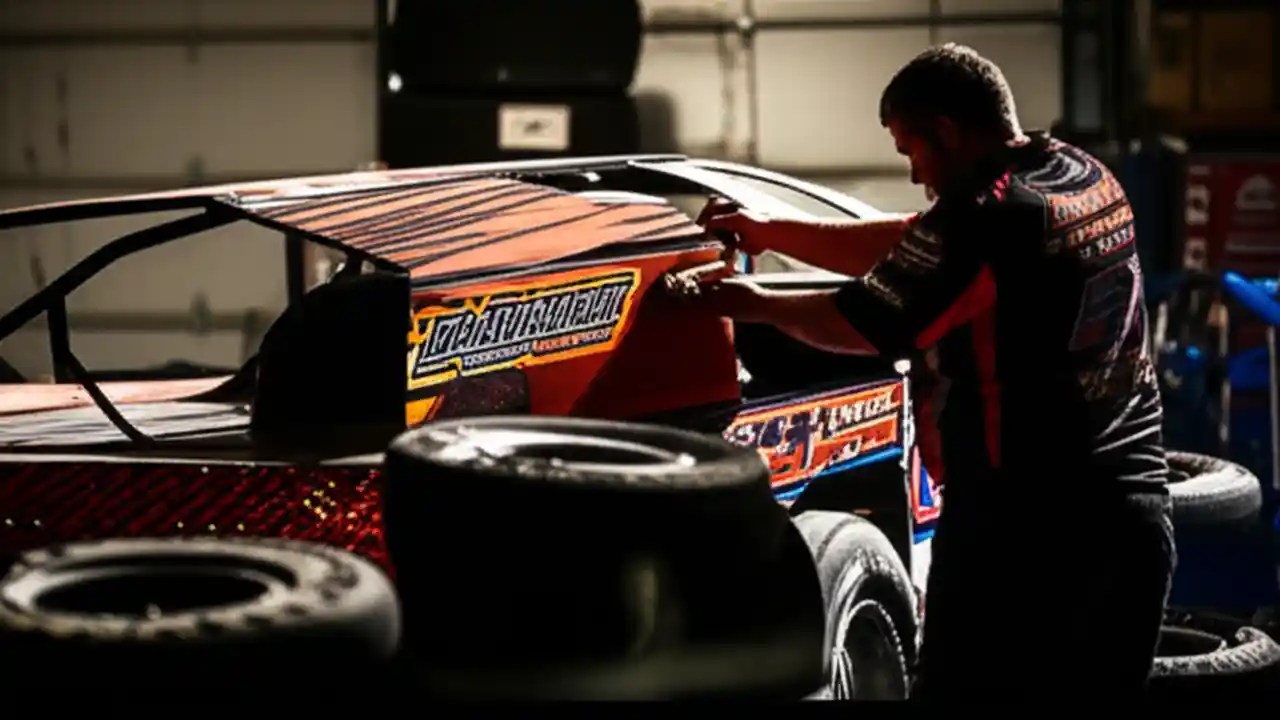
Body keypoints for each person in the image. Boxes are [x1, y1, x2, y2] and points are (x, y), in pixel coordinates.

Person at [691, 43, 1176, 700]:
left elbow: (858, 323)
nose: (917, 173)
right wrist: (772, 232)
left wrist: (741, 303)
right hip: (1133, 519)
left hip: (1030, 530)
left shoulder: (987, 217)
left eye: (911, 150)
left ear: (946, 131)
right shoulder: (1080, 175)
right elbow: (917, 241)